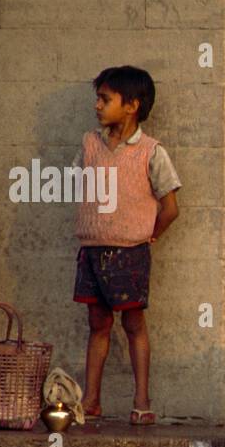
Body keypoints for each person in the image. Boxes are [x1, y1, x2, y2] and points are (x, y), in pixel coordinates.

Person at [73, 66, 181, 425]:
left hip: (129, 253)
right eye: (98, 98)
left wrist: (149, 235)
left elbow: (170, 207)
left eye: (105, 99)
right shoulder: (90, 144)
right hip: (92, 249)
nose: (97, 106)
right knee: (97, 323)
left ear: (131, 105)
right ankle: (91, 400)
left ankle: (142, 400)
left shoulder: (151, 151)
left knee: (133, 323)